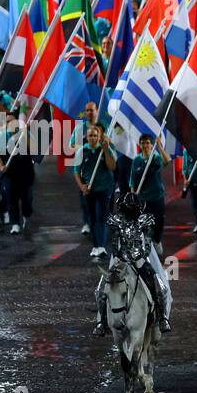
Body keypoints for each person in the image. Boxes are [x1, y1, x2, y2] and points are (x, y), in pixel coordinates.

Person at [95, 192, 173, 334]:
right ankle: (102, 321)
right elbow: (114, 243)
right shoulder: (116, 221)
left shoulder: (145, 220)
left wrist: (140, 256)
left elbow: (148, 244)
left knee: (159, 285)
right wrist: (121, 258)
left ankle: (162, 317)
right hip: (121, 259)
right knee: (102, 288)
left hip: (140, 259)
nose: (130, 211)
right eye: (128, 208)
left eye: (133, 208)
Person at [75, 122, 116, 259]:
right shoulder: (82, 151)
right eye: (90, 135)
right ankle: (95, 245)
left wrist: (106, 150)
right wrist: (82, 187)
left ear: (99, 137)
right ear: (86, 137)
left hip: (104, 188)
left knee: (102, 217)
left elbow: (112, 166)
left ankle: (101, 246)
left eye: (95, 135)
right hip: (89, 190)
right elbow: (76, 171)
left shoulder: (105, 149)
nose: (93, 138)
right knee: (92, 218)